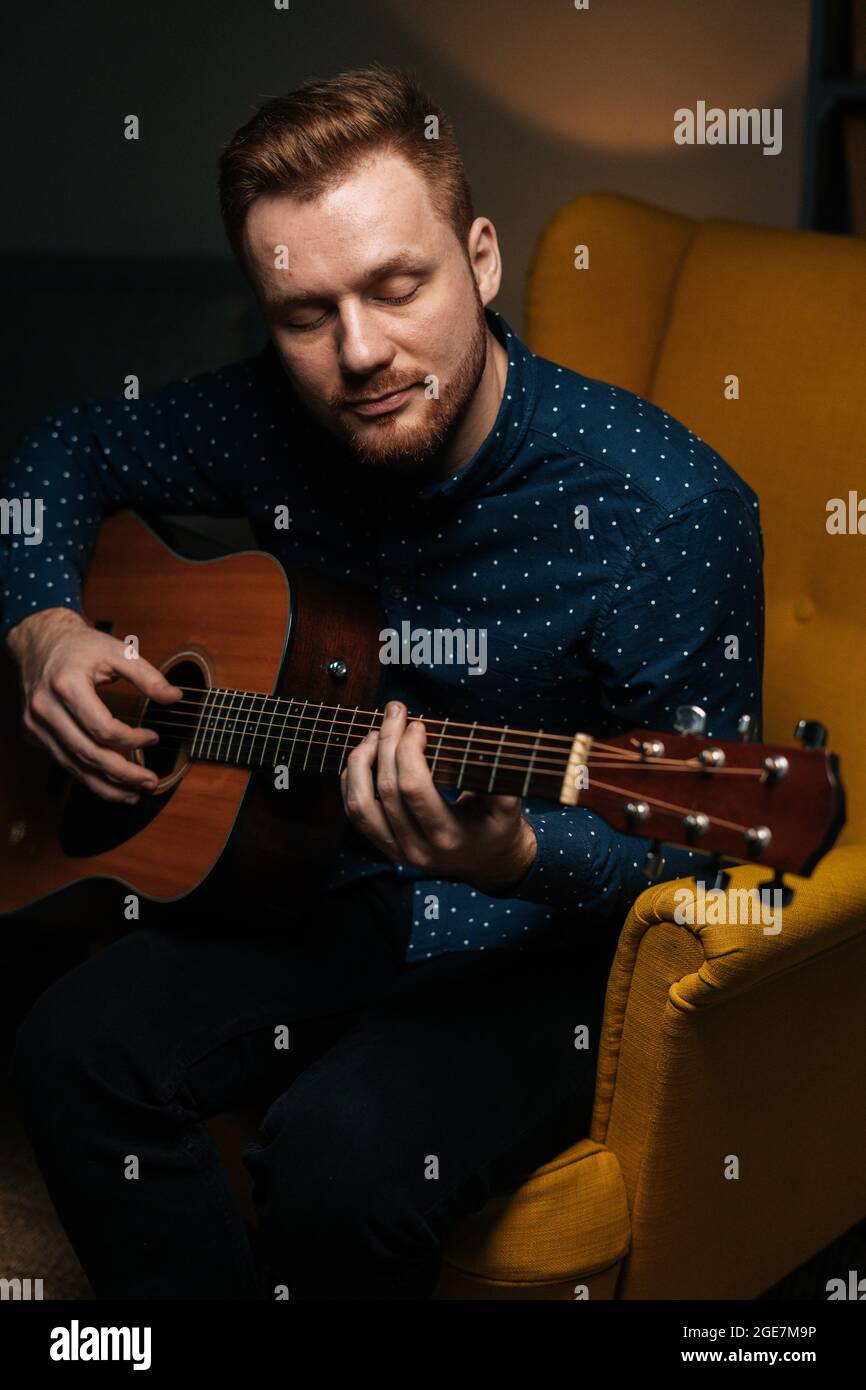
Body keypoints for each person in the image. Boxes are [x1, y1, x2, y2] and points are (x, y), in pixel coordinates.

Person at [1, 63, 764, 1299]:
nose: (359, 352)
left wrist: (519, 854)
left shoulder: (668, 511)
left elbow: (705, 854)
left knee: (341, 1162)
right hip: (308, 874)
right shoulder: (266, 419)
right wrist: (40, 623)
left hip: (536, 940)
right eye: (305, 315)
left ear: (479, 256)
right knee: (66, 1049)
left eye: (398, 287)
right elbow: (61, 450)